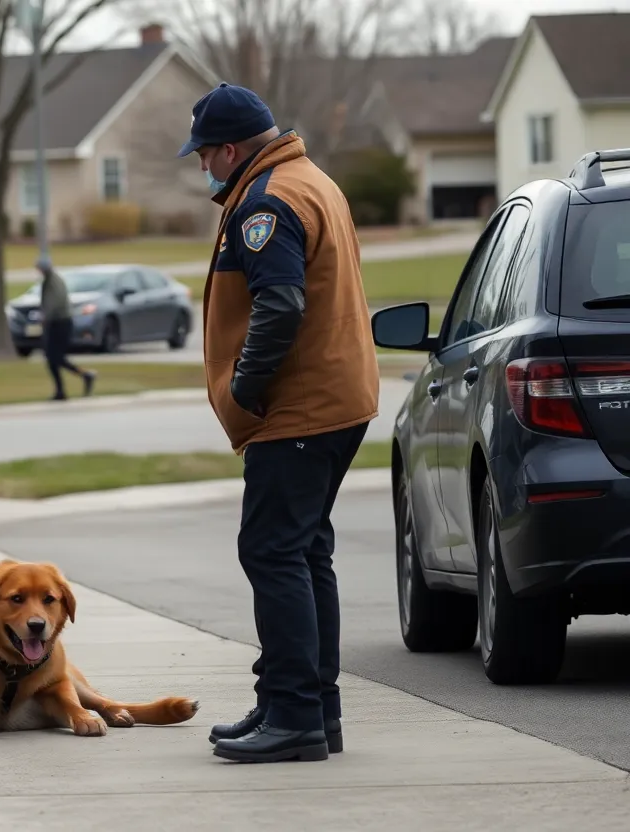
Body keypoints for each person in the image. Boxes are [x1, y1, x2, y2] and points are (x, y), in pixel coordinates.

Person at [177, 83, 379, 763]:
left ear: (230, 149)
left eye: (206, 155)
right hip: (338, 399)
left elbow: (281, 303)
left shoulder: (265, 201)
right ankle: (313, 708)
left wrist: (247, 388)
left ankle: (293, 714)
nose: (204, 168)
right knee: (304, 549)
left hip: (297, 405)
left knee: (272, 551)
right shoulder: (309, 178)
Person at [36, 257, 95, 400]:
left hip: (60, 323)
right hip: (56, 322)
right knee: (53, 359)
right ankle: (64, 388)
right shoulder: (49, 281)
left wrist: (45, 317)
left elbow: (55, 303)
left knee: (54, 357)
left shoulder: (54, 282)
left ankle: (82, 377)